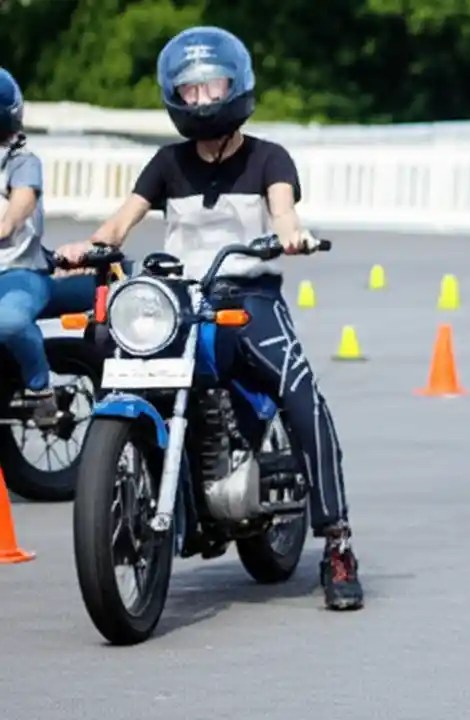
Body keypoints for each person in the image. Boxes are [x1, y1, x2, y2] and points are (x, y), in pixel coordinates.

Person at [55, 26, 364, 611]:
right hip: (178, 301)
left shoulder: (269, 157)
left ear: (237, 87)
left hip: (247, 303)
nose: (200, 100)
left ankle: (338, 542)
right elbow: (119, 224)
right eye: (188, 91)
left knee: (304, 399)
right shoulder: (168, 163)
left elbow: (283, 212)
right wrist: (85, 248)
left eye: (210, 87)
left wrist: (290, 236)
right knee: (118, 360)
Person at [0, 68, 58, 426]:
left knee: (7, 321)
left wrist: (6, 223)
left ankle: (40, 386)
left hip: (17, 270)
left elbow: (20, 206)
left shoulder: (21, 162)